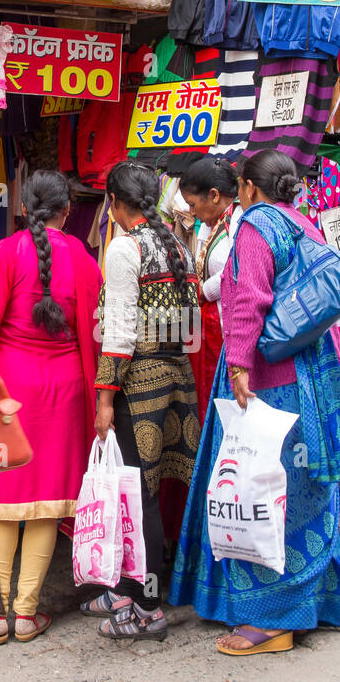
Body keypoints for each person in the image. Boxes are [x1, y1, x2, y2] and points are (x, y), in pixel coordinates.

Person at [171, 150, 340, 654]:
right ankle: (314, 600)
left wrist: (240, 366)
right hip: (310, 372)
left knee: (258, 486)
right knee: (304, 487)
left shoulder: (254, 225)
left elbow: (247, 301)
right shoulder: (302, 222)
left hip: (267, 378)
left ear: (247, 187)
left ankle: (273, 619)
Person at [0, 170, 103, 645]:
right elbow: (94, 329)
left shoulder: (6, 252)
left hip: (11, 388)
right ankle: (25, 614)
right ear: (68, 210)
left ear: (24, 209)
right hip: (63, 390)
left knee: (3, 496)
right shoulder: (82, 257)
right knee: (48, 499)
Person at [88, 160, 200, 642]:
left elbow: (118, 331)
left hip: (138, 386)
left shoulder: (124, 247)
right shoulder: (176, 243)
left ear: (114, 201)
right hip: (177, 379)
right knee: (146, 495)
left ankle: (147, 608)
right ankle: (128, 590)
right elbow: (190, 326)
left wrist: (105, 398)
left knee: (140, 498)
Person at [177, 154, 241, 414]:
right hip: (211, 326)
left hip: (227, 330)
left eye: (193, 204)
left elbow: (233, 271)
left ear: (214, 195)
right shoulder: (214, 223)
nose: (191, 212)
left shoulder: (238, 222)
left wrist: (202, 291)